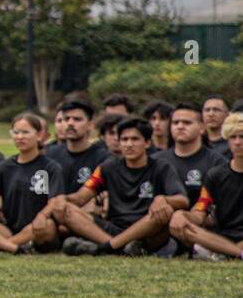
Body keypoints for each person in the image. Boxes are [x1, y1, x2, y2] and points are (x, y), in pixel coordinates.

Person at [57, 117, 188, 256]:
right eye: (124, 140)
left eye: (134, 139)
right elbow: (79, 198)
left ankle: (104, 248)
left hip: (146, 230)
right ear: (119, 143)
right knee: (65, 209)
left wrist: (163, 199)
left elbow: (183, 200)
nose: (129, 144)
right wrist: (60, 199)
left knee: (167, 210)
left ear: (147, 142)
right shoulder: (107, 168)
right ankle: (118, 248)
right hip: (113, 228)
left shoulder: (162, 167)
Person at [0, 113, 66, 254]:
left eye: (25, 132)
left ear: (39, 135)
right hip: (9, 229)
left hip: (38, 228)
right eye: (16, 132)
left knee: (48, 225)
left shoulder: (51, 167)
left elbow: (55, 201)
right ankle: (16, 248)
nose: (20, 137)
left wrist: (42, 216)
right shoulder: (4, 167)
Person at [170, 113, 243, 260]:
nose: (237, 142)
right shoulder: (215, 174)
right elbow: (200, 211)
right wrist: (182, 215)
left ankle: (225, 252)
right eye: (232, 137)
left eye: (242, 137)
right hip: (222, 236)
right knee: (182, 226)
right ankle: (234, 253)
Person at [159, 103, 225, 208]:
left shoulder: (217, 163)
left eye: (187, 123)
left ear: (202, 128)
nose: (180, 126)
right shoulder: (156, 160)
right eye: (175, 123)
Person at [44, 98, 108, 194]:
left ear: (90, 125)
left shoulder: (103, 159)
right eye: (66, 119)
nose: (70, 123)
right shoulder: (50, 155)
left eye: (77, 119)